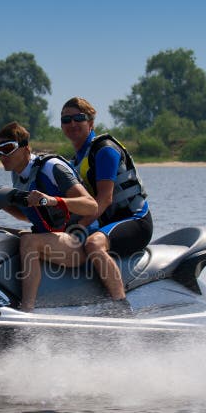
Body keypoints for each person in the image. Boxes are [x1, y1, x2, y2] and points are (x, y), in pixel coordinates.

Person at [60, 97, 153, 310]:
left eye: (78, 118)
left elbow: (104, 200)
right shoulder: (75, 160)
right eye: (66, 120)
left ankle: (121, 306)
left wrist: (78, 227)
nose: (72, 123)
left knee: (93, 244)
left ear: (90, 123)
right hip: (105, 223)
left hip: (134, 221)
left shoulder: (104, 150)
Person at [0, 121, 97, 312]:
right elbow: (30, 218)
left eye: (8, 148)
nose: (2, 155)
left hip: (79, 241)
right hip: (54, 237)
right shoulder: (18, 176)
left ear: (25, 148)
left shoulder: (52, 168)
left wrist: (51, 200)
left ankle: (27, 310)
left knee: (29, 242)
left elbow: (91, 206)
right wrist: (1, 204)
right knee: (0, 232)